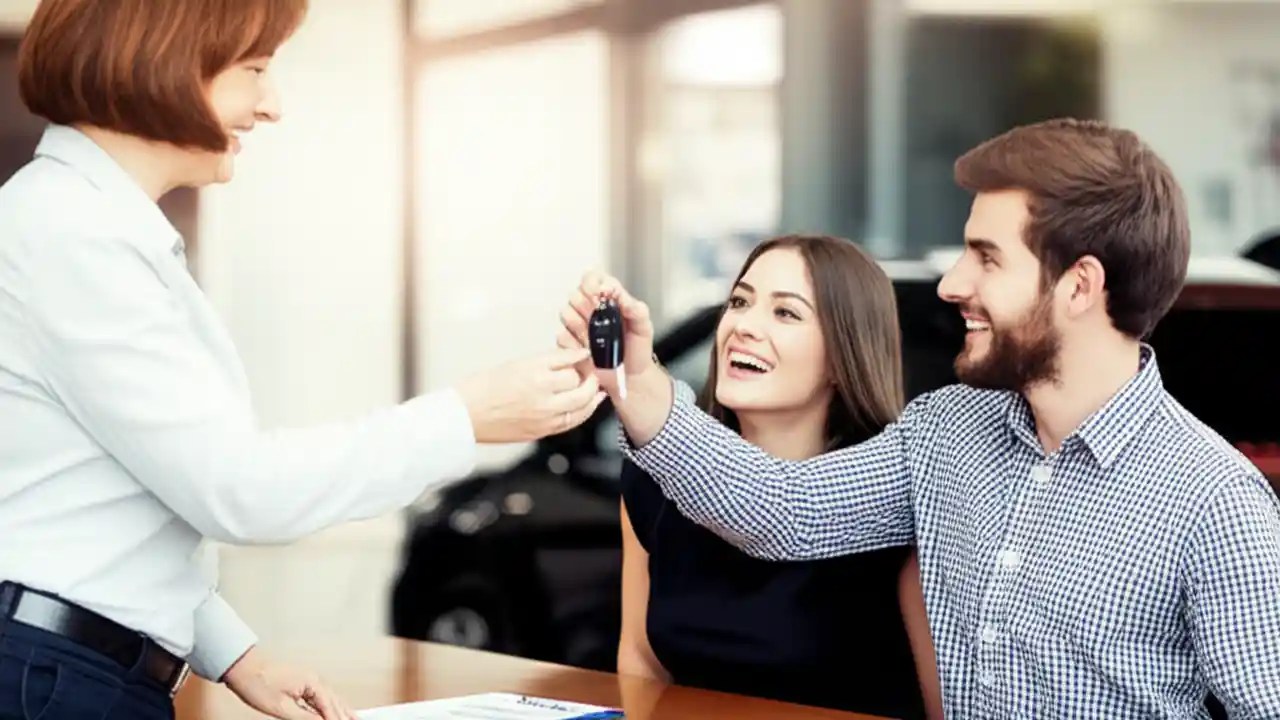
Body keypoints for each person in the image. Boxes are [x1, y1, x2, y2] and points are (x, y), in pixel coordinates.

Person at [0, 1, 603, 719]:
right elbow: (239, 488)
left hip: (74, 671)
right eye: (254, 70)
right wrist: (464, 418)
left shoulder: (84, 223)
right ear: (161, 61)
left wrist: (234, 654)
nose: (272, 105)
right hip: (57, 680)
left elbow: (114, 502)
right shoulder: (75, 236)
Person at [562, 119, 1280, 717]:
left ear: (1079, 286)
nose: (952, 284)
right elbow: (783, 509)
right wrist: (634, 376)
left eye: (986, 259)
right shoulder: (946, 430)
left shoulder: (1215, 504)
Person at [604, 235, 941, 718]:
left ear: (844, 358)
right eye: (739, 302)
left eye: (786, 313)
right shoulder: (654, 473)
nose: (743, 326)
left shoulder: (895, 495)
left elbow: (941, 703)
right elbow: (640, 661)